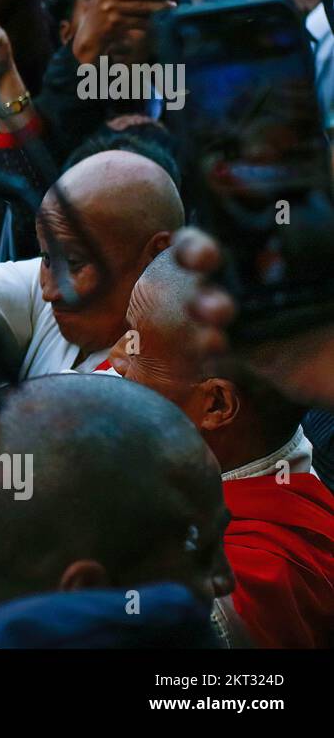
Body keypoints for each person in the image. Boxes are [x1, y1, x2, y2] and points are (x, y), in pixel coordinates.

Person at [111, 250, 334, 647]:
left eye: (135, 348)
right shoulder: (172, 418)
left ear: (215, 405)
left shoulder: (258, 573)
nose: (114, 360)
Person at [0, 149, 183, 377]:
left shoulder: (164, 369)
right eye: (47, 258)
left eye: (73, 263)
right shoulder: (49, 288)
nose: (49, 292)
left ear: (156, 255)